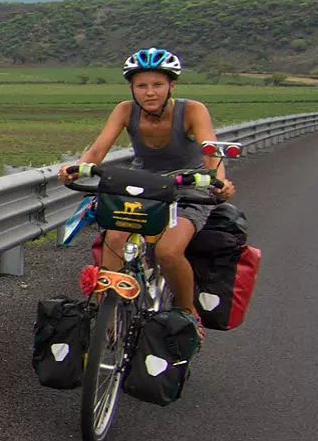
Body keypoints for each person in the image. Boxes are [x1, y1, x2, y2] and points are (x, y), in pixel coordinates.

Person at [58, 47, 235, 337]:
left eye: (157, 84)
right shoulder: (124, 110)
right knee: (114, 238)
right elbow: (99, 148)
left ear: (171, 86)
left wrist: (218, 182)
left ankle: (187, 311)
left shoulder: (192, 111)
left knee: (168, 250)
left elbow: (210, 153)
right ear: (132, 87)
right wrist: (78, 168)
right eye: (141, 85)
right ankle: (108, 317)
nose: (149, 92)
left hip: (186, 190)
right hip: (143, 189)